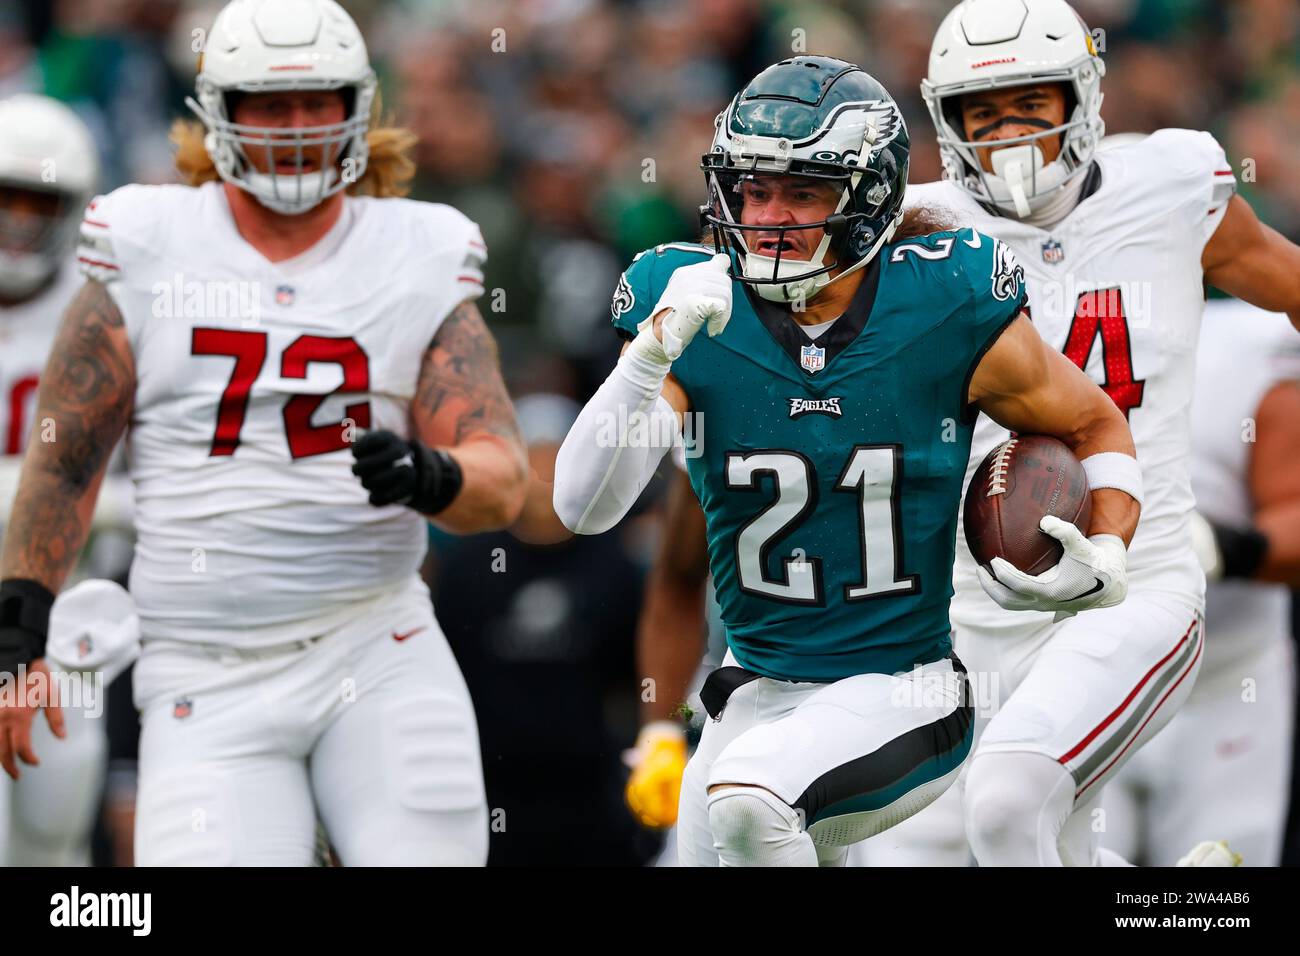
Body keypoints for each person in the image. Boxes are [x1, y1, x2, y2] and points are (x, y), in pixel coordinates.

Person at [554, 54, 1141, 867]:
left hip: (906, 689)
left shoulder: (946, 296)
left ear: (869, 201)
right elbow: (583, 507)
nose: (769, 215)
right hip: (751, 697)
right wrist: (646, 358)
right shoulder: (687, 300)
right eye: (753, 188)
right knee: (739, 809)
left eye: (803, 191)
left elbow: (1094, 425)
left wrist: (1108, 543)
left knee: (754, 807)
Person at [0, 0, 527, 866]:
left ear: (358, 105)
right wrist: (20, 638)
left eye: (316, 101)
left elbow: (502, 479)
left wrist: (431, 477)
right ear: (218, 112)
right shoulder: (149, 239)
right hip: (204, 672)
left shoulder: (417, 247)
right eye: (269, 105)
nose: (294, 127)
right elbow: (64, 461)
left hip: (378, 646)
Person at [906, 0, 1300, 866]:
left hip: (1137, 584)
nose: (1006, 132)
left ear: (1081, 99)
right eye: (983, 111)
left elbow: (1290, 283)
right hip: (966, 619)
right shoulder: (912, 229)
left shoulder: (1169, 186)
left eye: (1029, 104)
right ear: (947, 120)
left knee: (1010, 808)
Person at [1102, 299, 1300, 866]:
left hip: (1221, 680)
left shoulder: (1246, 340)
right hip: (1067, 671)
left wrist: (1224, 546)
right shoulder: (1016, 311)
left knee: (1212, 899)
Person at [0, 92, 110, 867]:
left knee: (53, 829)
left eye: (36, 204)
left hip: (68, 612)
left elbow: (147, 477)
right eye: (2, 200)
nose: (16, 223)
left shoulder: (106, 311)